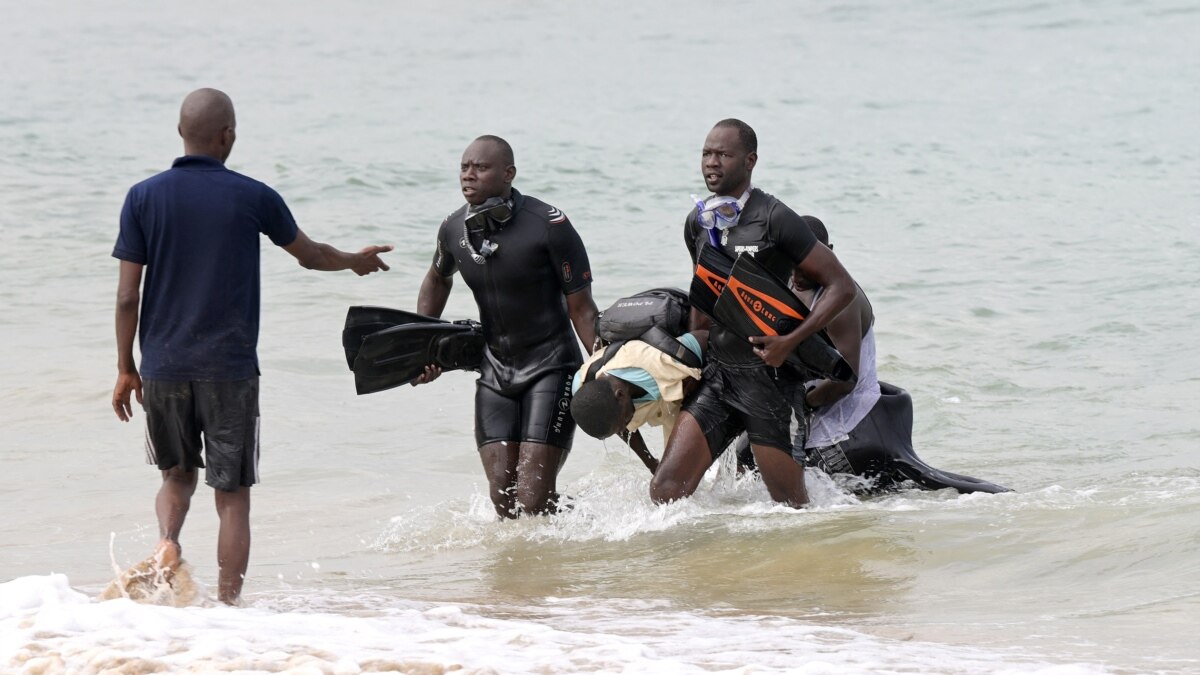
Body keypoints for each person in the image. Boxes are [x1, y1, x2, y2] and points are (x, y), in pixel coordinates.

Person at [110, 88, 392, 605]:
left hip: (164, 367)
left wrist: (127, 368)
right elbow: (310, 256)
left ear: (180, 133)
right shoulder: (253, 195)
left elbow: (129, 295)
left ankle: (168, 543)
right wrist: (354, 260)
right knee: (232, 495)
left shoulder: (143, 196)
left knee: (176, 475)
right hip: (229, 368)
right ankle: (227, 609)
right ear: (228, 136)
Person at [648, 119, 858, 508]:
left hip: (771, 382)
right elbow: (703, 299)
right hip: (720, 376)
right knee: (666, 490)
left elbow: (841, 287)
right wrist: (693, 364)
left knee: (790, 506)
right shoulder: (698, 222)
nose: (712, 163)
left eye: (723, 154)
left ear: (750, 161)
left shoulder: (775, 217)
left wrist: (790, 342)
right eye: (707, 154)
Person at [414, 135, 598, 519]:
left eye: (480, 167)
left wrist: (602, 363)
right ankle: (534, 566)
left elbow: (581, 307)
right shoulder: (453, 230)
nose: (469, 175)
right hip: (494, 370)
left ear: (508, 174)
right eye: (464, 167)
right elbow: (437, 278)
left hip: (552, 366)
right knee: (503, 499)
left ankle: (583, 539)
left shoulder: (549, 225)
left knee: (531, 498)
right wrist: (423, 344)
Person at [570, 329, 708, 473]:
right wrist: (650, 463)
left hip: (677, 381)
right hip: (656, 400)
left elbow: (704, 338)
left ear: (620, 395)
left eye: (623, 423)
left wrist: (701, 380)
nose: (624, 430)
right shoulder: (583, 387)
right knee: (674, 473)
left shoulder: (658, 362)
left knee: (685, 467)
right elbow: (615, 424)